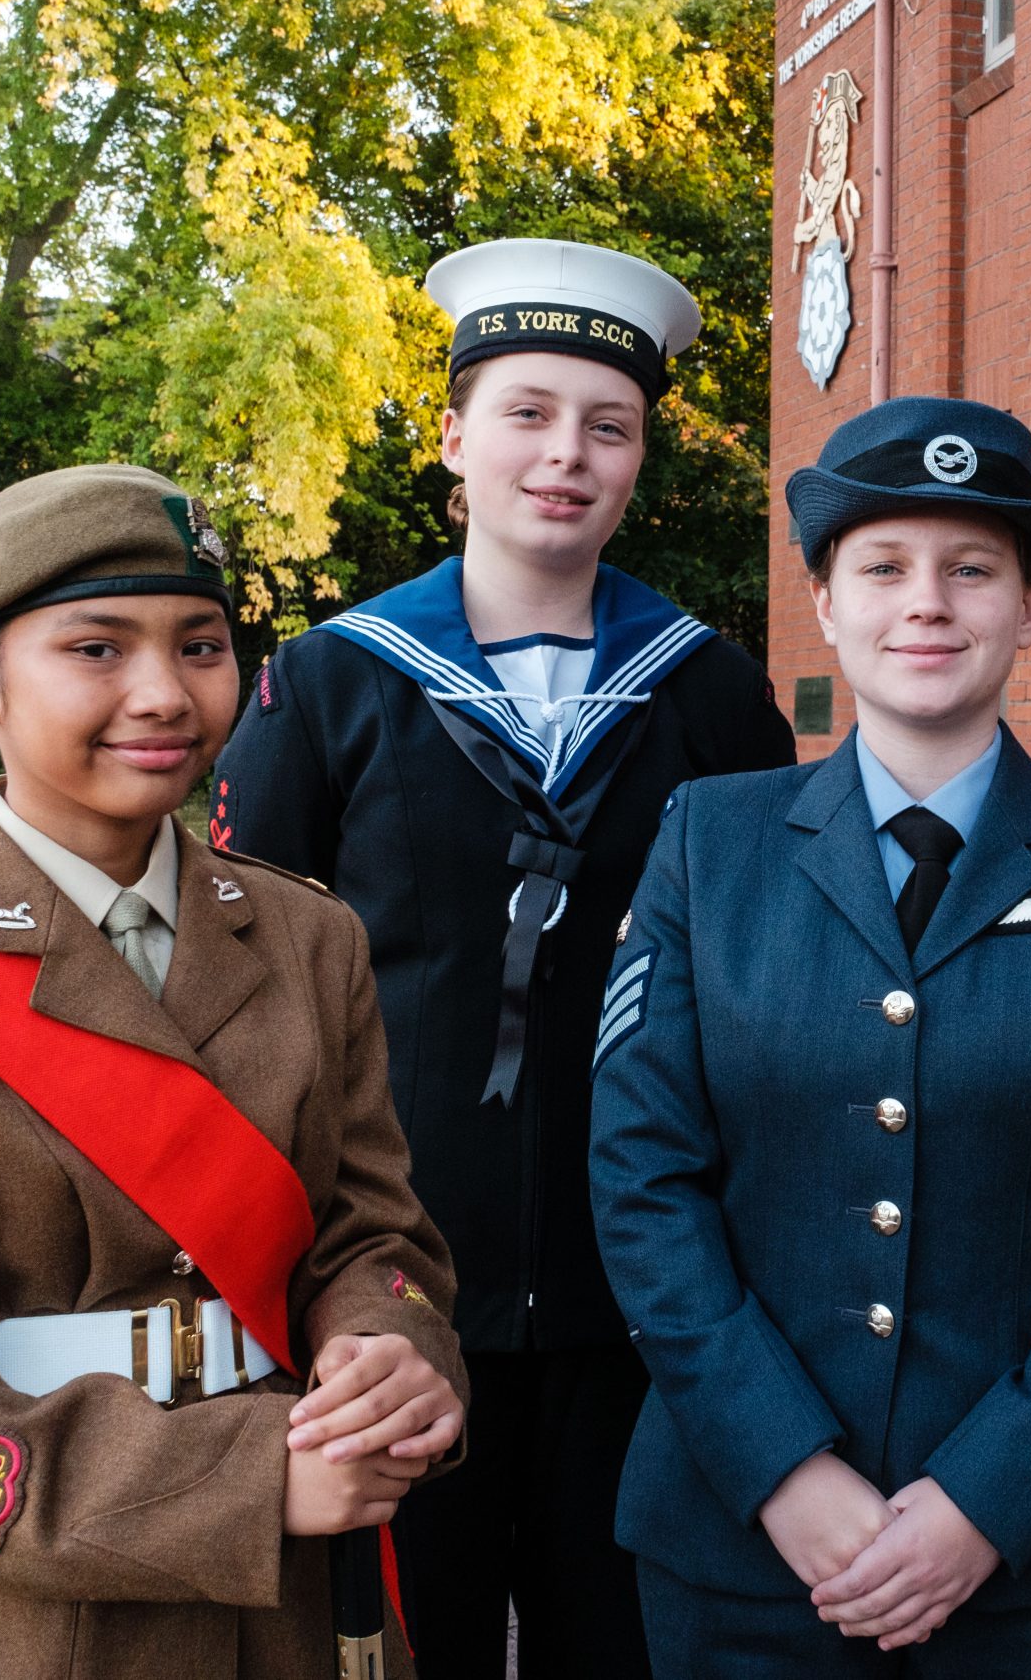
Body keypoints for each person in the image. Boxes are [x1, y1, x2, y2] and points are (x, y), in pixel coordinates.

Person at [0, 464, 467, 1680]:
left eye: (202, 645)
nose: (165, 694)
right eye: (97, 649)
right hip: (13, 1618)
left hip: (293, 1614)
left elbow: (371, 1227)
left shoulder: (306, 937)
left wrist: (391, 1348)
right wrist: (246, 1481)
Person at [211, 238, 797, 1677]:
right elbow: (245, 977)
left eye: (610, 426)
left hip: (648, 1294)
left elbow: (771, 969)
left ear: (640, 461)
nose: (566, 455)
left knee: (629, 1641)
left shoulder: (709, 686)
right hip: (397, 1293)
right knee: (423, 1645)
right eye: (528, 413)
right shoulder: (333, 681)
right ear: (455, 436)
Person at [589, 396, 1031, 1678]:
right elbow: (643, 1180)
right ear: (826, 606)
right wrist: (782, 1467)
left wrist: (988, 1497)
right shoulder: (707, 843)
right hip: (743, 1545)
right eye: (881, 567)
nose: (925, 603)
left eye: (972, 569)